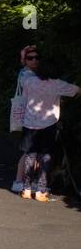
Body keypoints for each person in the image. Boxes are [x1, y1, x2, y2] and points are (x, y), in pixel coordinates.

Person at [13, 45, 78, 202]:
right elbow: (76, 90)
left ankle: (26, 189)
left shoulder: (28, 81)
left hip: (30, 124)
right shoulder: (57, 84)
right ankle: (41, 190)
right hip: (48, 124)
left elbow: (26, 98)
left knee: (30, 155)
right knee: (45, 157)